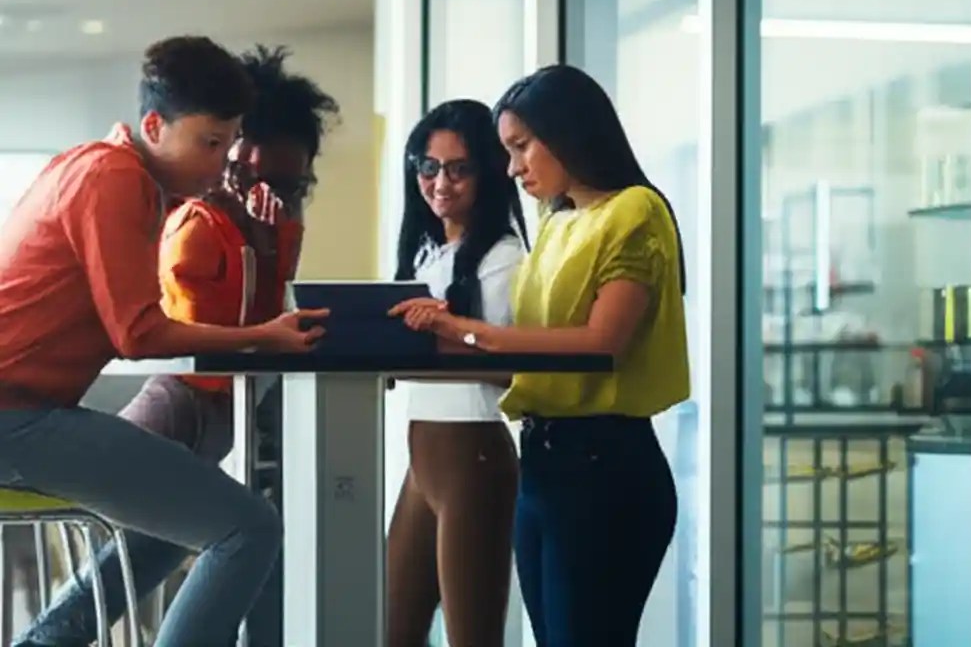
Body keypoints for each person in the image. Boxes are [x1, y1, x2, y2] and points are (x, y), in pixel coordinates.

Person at [0, 36, 327, 647]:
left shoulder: (106, 168)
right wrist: (264, 336)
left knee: (179, 524)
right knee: (249, 529)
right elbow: (137, 332)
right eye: (209, 143)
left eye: (228, 144)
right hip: (16, 417)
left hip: (29, 412)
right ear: (154, 125)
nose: (219, 161)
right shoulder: (112, 178)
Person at [389, 64, 689, 645]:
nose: (513, 167)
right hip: (544, 460)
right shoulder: (557, 222)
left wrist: (472, 331)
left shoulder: (635, 210)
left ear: (568, 132)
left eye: (522, 147)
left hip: (606, 463)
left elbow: (603, 342)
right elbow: (527, 334)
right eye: (507, 150)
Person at [384, 99, 529, 647]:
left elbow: (512, 370)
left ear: (487, 174)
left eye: (458, 168)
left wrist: (447, 328)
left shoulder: (503, 256)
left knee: (472, 637)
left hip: (475, 458)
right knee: (392, 629)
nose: (440, 182)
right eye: (428, 166)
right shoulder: (425, 254)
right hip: (423, 458)